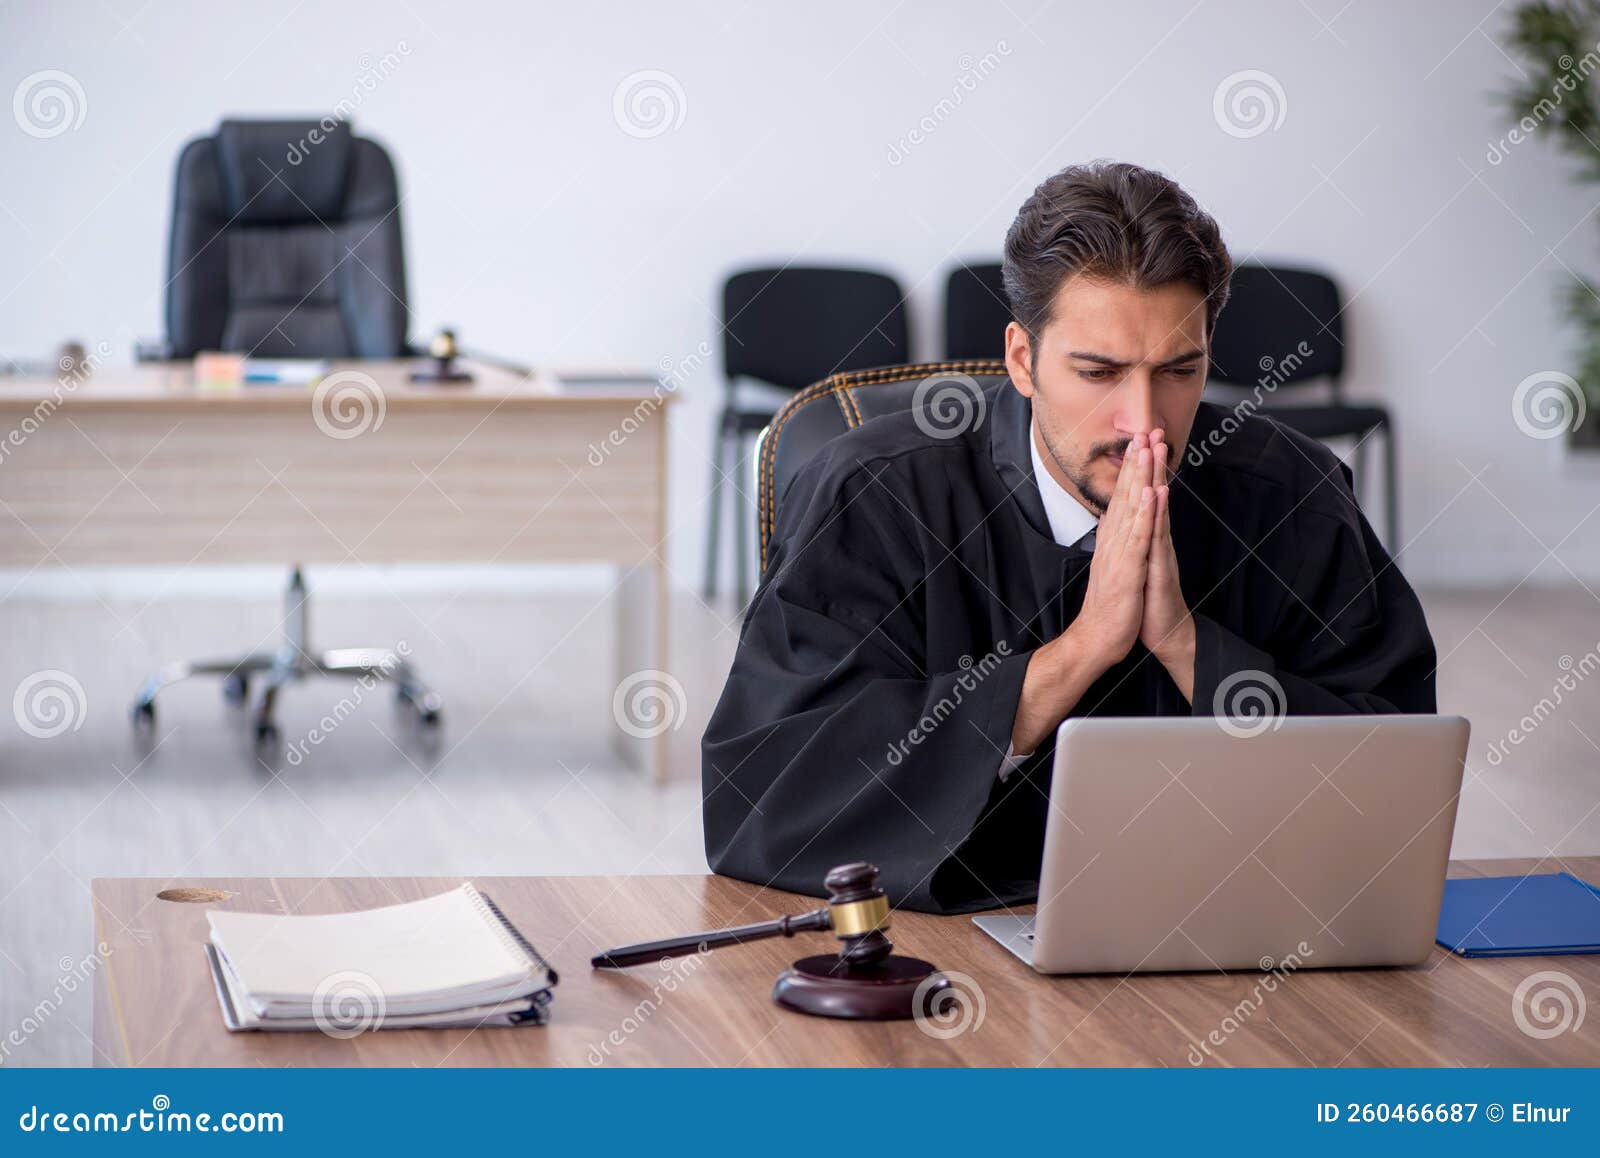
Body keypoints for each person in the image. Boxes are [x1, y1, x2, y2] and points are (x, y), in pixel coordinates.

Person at [701, 161, 1437, 914]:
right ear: (1023, 360)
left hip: (1239, 929)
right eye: (1098, 373)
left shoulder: (1294, 497)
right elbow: (763, 801)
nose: (1143, 423)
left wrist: (1187, 647)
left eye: (1178, 371)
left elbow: (1397, 779)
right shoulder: (873, 495)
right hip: (947, 943)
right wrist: (1080, 652)